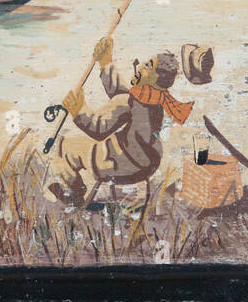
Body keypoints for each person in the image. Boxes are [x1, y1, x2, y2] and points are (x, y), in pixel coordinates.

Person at [49, 36, 195, 208]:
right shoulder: (153, 96)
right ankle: (76, 190)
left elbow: (98, 129)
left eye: (147, 66)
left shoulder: (132, 100)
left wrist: (78, 110)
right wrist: (105, 63)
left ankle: (73, 194)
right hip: (148, 161)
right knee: (93, 144)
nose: (140, 66)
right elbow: (121, 94)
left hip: (125, 162)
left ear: (155, 77)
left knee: (65, 147)